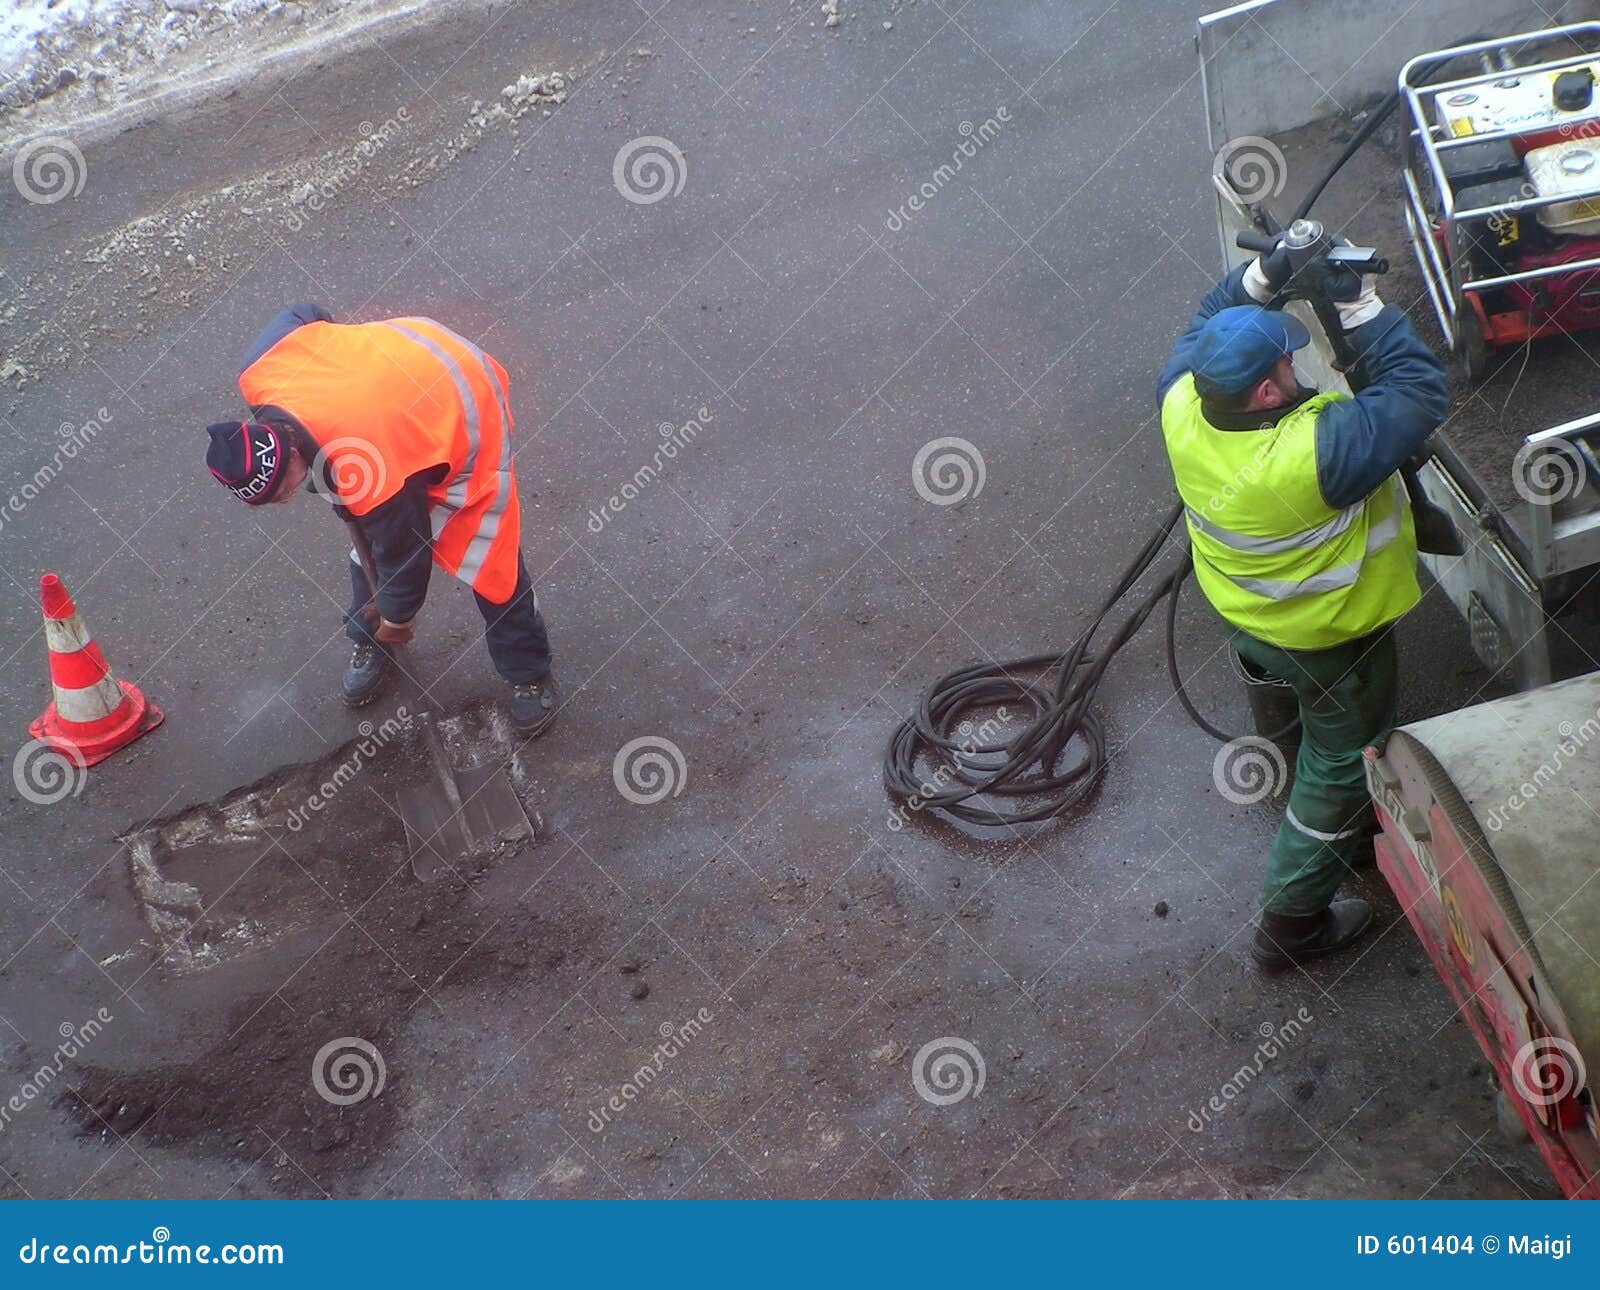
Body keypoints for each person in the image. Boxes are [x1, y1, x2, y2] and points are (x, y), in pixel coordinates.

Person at [1156, 251, 1449, 972]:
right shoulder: (1317, 452)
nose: (1299, 371)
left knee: (1308, 723)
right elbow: (1417, 390)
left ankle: (1339, 819)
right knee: (1342, 764)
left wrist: (1264, 272)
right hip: (1326, 639)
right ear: (1264, 393)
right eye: (1287, 367)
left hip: (1246, 609)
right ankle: (1291, 924)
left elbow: (1202, 323)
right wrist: (1360, 306)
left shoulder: (1181, 400)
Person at [204, 302, 558, 736]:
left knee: (488, 555)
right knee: (367, 536)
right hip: (397, 382)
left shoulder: (364, 472)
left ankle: (528, 672)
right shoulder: (262, 369)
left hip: (460, 392)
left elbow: (407, 556)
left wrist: (396, 619)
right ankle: (367, 637)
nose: (288, 497)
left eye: (285, 487)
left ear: (291, 451)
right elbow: (304, 311)